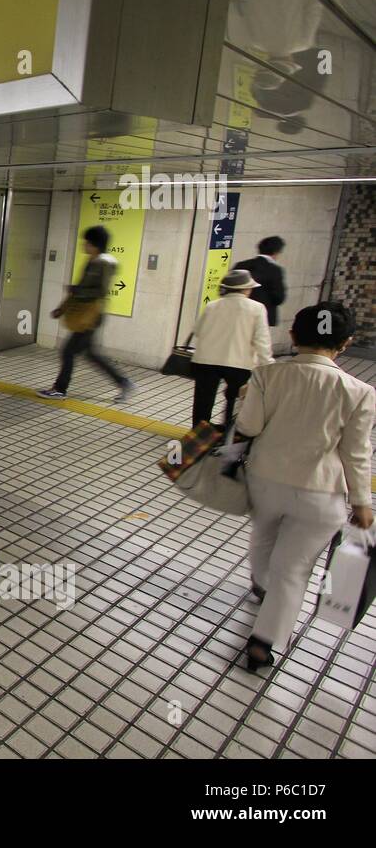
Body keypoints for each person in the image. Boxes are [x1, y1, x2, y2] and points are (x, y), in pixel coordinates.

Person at [235, 302, 374, 673]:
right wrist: (362, 501)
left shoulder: (267, 375)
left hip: (264, 481)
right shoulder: (360, 391)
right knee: (293, 568)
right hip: (321, 493)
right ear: (344, 343)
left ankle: (264, 587)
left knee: (263, 539)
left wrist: (245, 399)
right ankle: (264, 642)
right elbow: (356, 453)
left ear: (294, 336)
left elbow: (248, 428)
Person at [37, 225, 134, 402]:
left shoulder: (104, 263)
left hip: (91, 316)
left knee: (68, 351)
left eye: (86, 242)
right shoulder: (92, 261)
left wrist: (77, 292)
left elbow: (101, 291)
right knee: (91, 354)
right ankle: (124, 382)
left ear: (94, 244)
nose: (84, 245)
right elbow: (79, 289)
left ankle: (60, 389)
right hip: (86, 314)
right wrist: (63, 307)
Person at [188, 269, 273, 429]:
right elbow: (261, 339)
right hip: (239, 363)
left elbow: (198, 331)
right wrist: (267, 364)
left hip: (206, 361)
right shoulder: (257, 308)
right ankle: (228, 431)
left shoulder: (212, 306)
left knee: (203, 400)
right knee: (234, 400)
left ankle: (198, 434)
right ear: (246, 289)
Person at [234, 236, 288, 327]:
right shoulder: (275, 270)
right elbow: (279, 297)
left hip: (239, 314)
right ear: (276, 252)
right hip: (262, 318)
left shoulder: (241, 265)